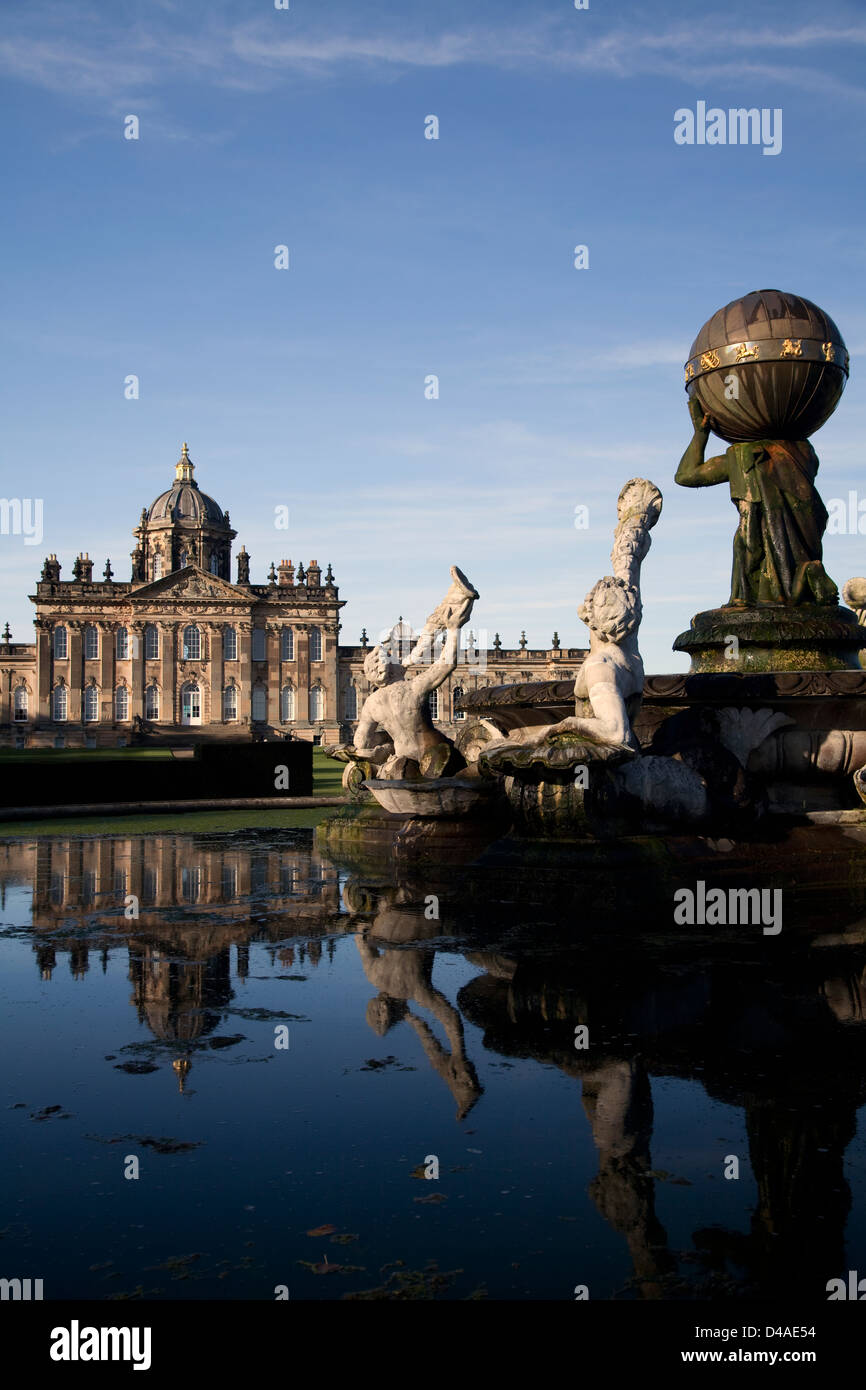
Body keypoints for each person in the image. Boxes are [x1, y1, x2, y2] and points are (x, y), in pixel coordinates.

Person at [675, 398, 837, 606]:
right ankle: (803, 576)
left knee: (754, 558)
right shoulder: (804, 453)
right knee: (799, 603)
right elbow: (685, 477)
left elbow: (686, 475)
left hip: (757, 560)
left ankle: (797, 580)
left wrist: (700, 435)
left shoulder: (745, 456)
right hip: (804, 539)